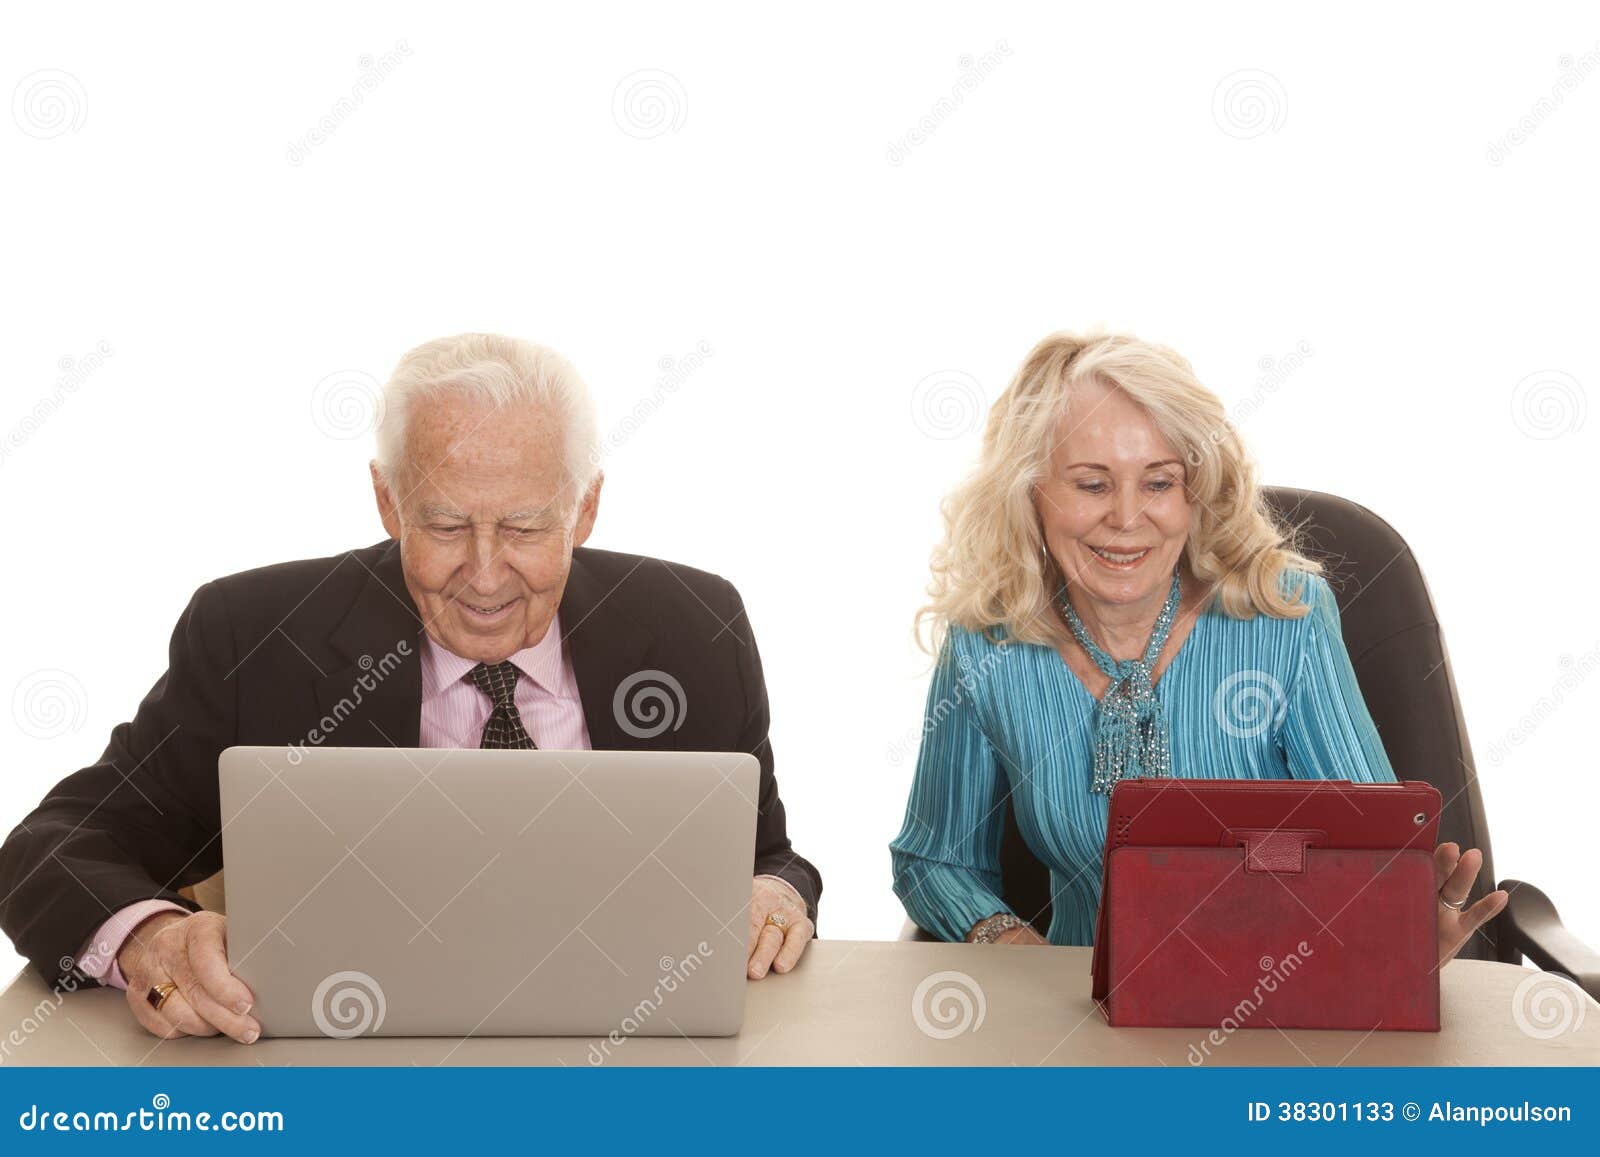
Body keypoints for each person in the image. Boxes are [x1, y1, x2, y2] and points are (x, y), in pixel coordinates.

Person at [0, 333, 820, 1043]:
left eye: (526, 526)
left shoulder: (692, 629)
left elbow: (765, 855)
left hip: (636, 1067)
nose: (486, 574)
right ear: (388, 502)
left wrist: (775, 893)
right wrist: (151, 937)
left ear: (586, 508)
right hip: (336, 1076)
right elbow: (53, 846)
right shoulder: (255, 638)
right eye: (446, 525)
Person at [890, 330, 1503, 960]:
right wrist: (1011, 943)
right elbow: (934, 858)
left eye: (1158, 483)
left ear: (1195, 490)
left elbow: (1370, 851)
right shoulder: (988, 645)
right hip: (1078, 1005)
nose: (1127, 518)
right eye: (1092, 485)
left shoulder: (1284, 616)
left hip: (1284, 993)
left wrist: (1399, 927)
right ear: (1029, 492)